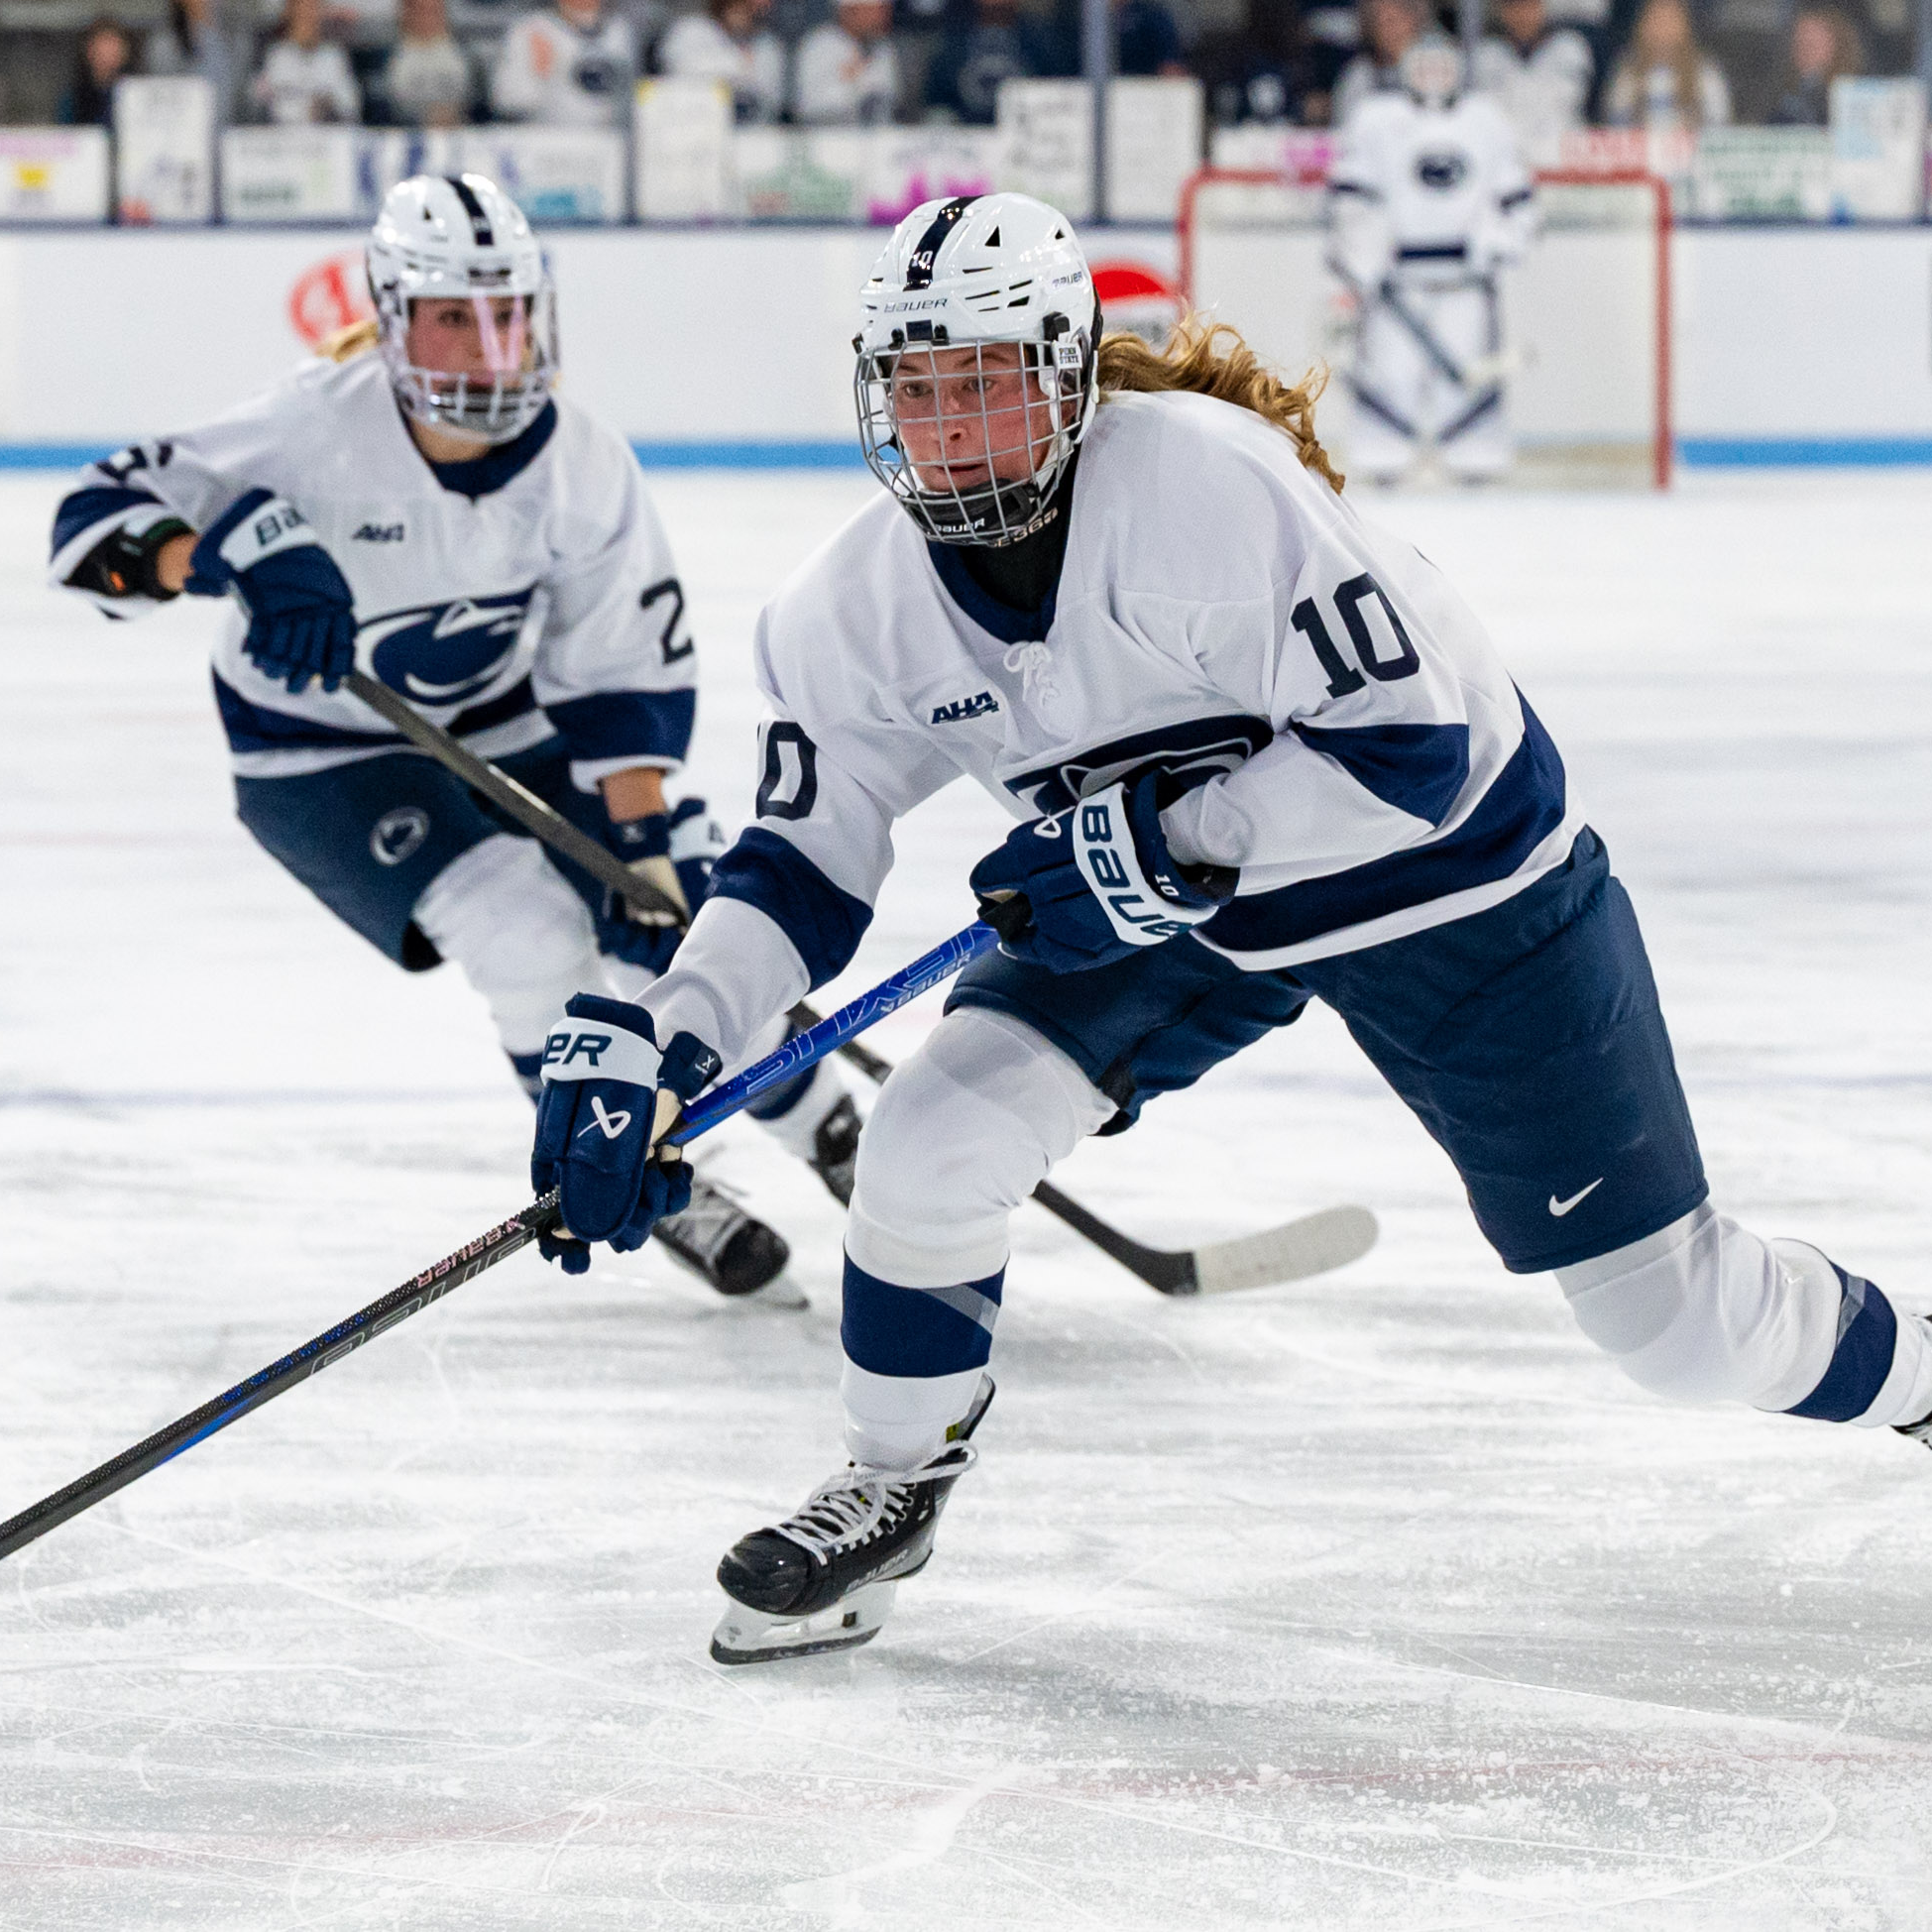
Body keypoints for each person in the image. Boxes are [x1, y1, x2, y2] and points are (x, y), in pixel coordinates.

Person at [527, 185, 1932, 1666]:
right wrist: (667, 1045)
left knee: (1676, 1327)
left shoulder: (1204, 488)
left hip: (1456, 889)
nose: (951, 428)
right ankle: (893, 1480)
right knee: (931, 1141)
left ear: (1068, 375)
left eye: (989, 382)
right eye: (918, 388)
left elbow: (1416, 758)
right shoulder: (848, 612)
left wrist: (1165, 840)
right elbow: (797, 874)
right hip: (1179, 902)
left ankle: (1919, 1376)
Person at [47, 173, 858, 1298]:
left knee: (686, 922)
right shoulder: (307, 429)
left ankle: (828, 1125)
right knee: (528, 939)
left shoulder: (580, 461)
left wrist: (645, 845)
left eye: (508, 311)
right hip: (319, 750)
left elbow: (617, 665)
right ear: (389, 317)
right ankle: (641, 1159)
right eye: (450, 316)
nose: (488, 346)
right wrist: (226, 549)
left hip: (507, 720)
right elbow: (89, 520)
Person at [1327, 40, 1534, 485]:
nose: (1434, 76)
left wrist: (1498, 245)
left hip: (1467, 282)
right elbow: (1352, 199)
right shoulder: (1376, 120)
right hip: (1396, 281)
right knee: (1389, 372)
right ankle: (1383, 460)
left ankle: (1473, 460)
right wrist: (1363, 259)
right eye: (1424, 66)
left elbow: (1513, 195)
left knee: (1467, 379)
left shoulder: (1488, 121)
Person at [1470, 0, 1592, 167]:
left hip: (1561, 159)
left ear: (1542, 7)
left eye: (1530, 6)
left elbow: (1570, 104)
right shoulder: (1487, 54)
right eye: (1516, 7)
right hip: (1505, 162)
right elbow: (1486, 115)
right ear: (1503, 12)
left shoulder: (1570, 47)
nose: (1524, 15)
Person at [491, 0, 637, 125]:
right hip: (551, 146)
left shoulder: (621, 30)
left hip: (612, 144)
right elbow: (508, 102)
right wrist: (537, 74)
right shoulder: (532, 30)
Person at [924, 0, 1059, 124]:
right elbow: (937, 98)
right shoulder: (955, 40)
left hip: (1026, 131)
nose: (996, 3)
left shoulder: (1038, 41)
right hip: (969, 134)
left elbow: (1055, 87)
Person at [1603, 0, 1729, 130]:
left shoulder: (1704, 73)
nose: (1663, 26)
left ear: (1685, 25)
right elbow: (1616, 124)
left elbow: (1719, 125)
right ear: (1643, 25)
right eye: (1656, 19)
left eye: (1671, 19)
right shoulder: (1628, 73)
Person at [655, 0, 785, 125]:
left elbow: (769, 100)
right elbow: (683, 76)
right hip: (691, 131)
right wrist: (741, 66)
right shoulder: (688, 30)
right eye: (740, 5)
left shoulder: (767, 46)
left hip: (751, 137)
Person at [1330, 0, 1443, 128]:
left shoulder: (1441, 67)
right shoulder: (1360, 75)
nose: (1392, 30)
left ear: (1415, 22)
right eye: (1382, 24)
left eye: (1397, 20)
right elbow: (1345, 128)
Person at [251, 0, 363, 123]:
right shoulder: (276, 56)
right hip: (281, 136)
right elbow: (255, 103)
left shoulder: (333, 56)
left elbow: (351, 106)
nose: (309, 19)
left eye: (313, 12)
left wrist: (329, 106)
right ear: (290, 16)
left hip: (325, 135)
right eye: (303, 14)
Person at [793, 0, 899, 124]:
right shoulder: (819, 45)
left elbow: (889, 102)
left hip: (879, 138)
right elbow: (810, 107)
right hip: (827, 138)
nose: (883, 17)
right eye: (875, 10)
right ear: (849, 11)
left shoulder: (884, 49)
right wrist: (852, 85)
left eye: (884, 10)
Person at [385, 0, 475, 126]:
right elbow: (389, 103)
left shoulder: (465, 53)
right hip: (406, 129)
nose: (427, 18)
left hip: (457, 126)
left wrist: (449, 114)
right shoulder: (388, 55)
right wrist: (426, 116)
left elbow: (474, 97)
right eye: (420, 12)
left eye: (433, 11)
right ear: (406, 14)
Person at [1767, 4, 1862, 125]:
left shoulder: (1854, 97)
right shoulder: (1779, 98)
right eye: (1799, 42)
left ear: (1838, 46)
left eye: (1814, 42)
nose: (1805, 49)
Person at [58, 16, 134, 126]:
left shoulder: (135, 95)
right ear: (88, 51)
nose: (107, 54)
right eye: (101, 46)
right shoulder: (73, 99)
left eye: (113, 46)